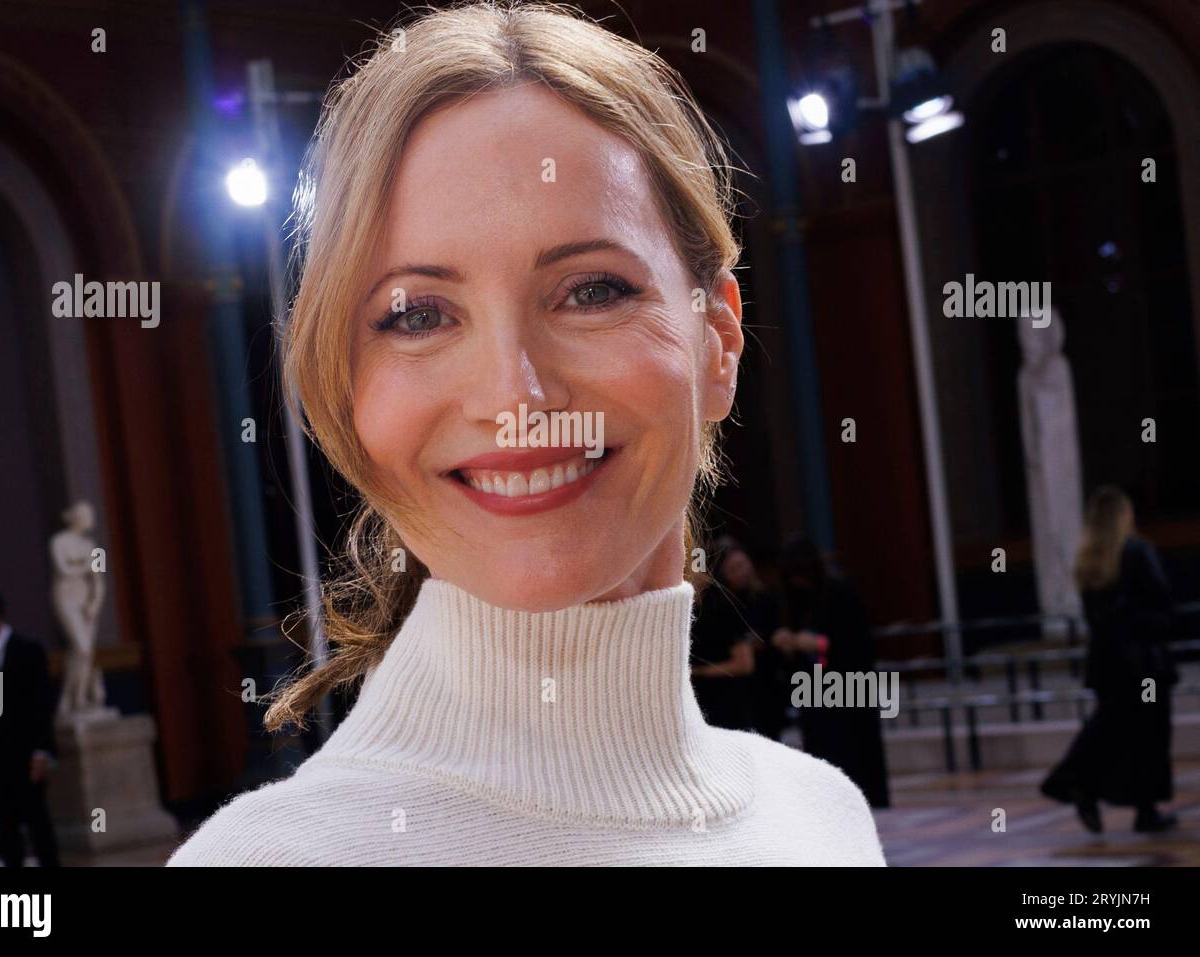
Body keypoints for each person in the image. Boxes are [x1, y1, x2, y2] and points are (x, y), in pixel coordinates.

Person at [167, 1, 884, 866]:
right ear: (347, 388)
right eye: (419, 313)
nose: (516, 394)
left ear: (719, 340)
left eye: (591, 291)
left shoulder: (821, 816)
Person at [1040, 486, 1178, 833]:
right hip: (1144, 664)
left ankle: (1082, 786)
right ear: (1123, 517)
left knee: (1112, 731)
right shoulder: (1136, 551)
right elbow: (1162, 609)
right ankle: (1130, 804)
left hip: (1108, 665)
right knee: (1148, 737)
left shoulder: (1090, 562)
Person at [773, 537, 891, 809]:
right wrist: (789, 642)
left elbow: (857, 641)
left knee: (854, 748)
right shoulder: (798, 599)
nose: (797, 582)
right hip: (815, 687)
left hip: (849, 685)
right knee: (822, 745)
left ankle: (863, 800)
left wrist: (819, 644)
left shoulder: (840, 590)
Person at [0, 587, 60, 866]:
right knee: (6, 829)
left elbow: (41, 704)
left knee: (38, 824)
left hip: (27, 753)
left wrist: (41, 751)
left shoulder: (27, 649)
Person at [689, 540, 758, 732]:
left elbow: (745, 664)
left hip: (727, 706)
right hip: (697, 709)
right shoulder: (680, 609)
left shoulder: (724, 604)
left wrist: (698, 672)